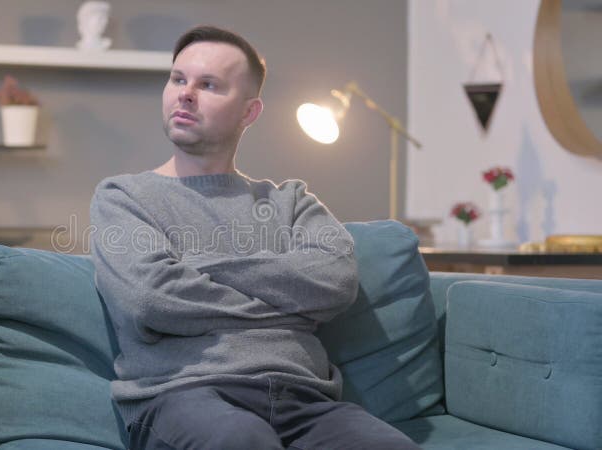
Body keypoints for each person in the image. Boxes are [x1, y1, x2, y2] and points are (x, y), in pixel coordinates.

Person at [90, 25, 421, 450]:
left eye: (208, 85)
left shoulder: (291, 202)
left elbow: (335, 282)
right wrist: (286, 308)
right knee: (243, 440)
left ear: (250, 112)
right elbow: (149, 298)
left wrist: (194, 269)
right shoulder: (124, 197)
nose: (185, 94)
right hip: (185, 397)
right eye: (178, 79)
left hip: (306, 401)